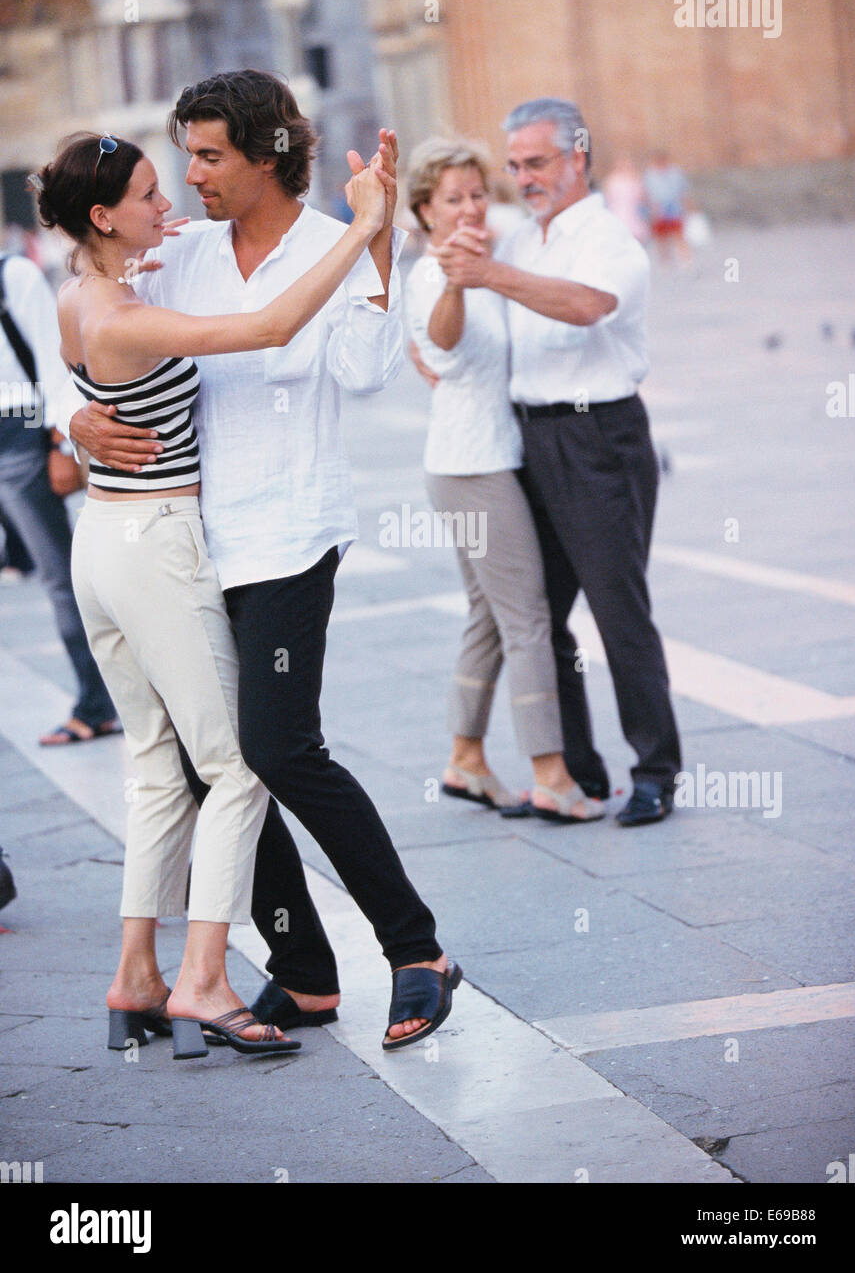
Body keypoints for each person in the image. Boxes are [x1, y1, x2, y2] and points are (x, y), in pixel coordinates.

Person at [55, 71, 461, 1051]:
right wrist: (72, 421)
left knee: (279, 751)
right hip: (188, 546)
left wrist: (377, 236)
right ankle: (305, 971)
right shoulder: (179, 252)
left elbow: (364, 371)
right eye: (183, 157)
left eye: (208, 156)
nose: (190, 176)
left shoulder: (333, 244)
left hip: (286, 536)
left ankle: (417, 949)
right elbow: (83, 322)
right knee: (210, 766)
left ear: (266, 154)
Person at [431, 98, 682, 827]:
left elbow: (586, 306)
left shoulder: (607, 238)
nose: (522, 178)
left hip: (598, 437)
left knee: (618, 609)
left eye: (536, 163)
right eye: (513, 166)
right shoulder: (517, 242)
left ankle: (656, 770)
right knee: (541, 616)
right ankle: (575, 773)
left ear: (578, 155)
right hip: (526, 440)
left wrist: (490, 276)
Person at [405, 135, 602, 824]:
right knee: (528, 620)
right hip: (473, 469)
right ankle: (550, 773)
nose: (469, 207)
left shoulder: (488, 252)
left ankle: (465, 759)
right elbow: (445, 338)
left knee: (488, 618)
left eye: (476, 193)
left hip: (473, 461)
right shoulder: (436, 277)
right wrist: (456, 284)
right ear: (426, 211)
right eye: (452, 198)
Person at [0, 249, 120, 743]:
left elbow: (55, 362)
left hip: (21, 432)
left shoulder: (14, 274)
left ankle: (98, 703)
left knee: (58, 573)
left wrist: (56, 440)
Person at [643, 150, 691, 264]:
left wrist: (687, 206)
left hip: (674, 207)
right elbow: (647, 193)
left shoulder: (675, 173)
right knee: (661, 236)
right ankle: (665, 259)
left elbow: (683, 190)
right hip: (658, 208)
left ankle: (685, 257)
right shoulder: (650, 175)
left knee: (678, 233)